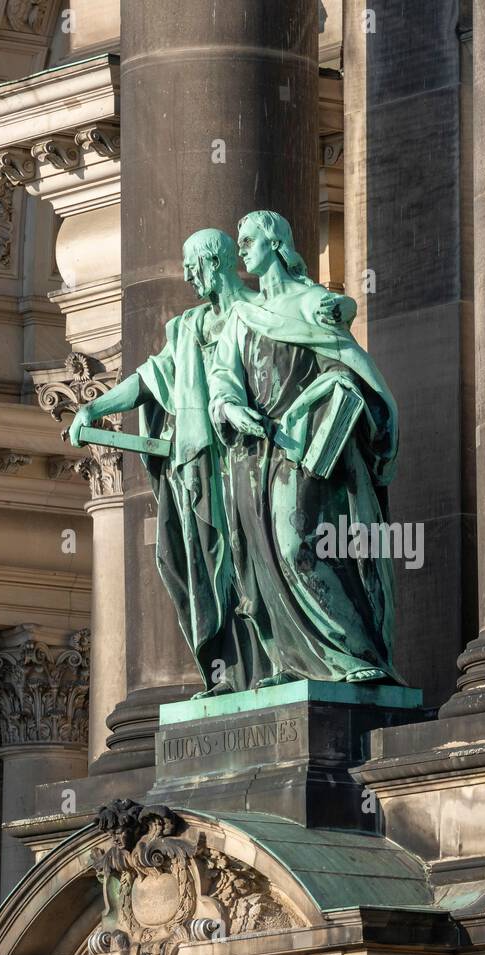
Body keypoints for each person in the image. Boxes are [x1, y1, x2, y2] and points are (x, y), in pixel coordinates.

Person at [207, 210, 403, 687]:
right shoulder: (240, 316)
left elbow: (350, 368)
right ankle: (294, 662)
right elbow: (223, 379)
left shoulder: (313, 304)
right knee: (264, 558)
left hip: (307, 445)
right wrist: (231, 409)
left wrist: (319, 402)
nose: (243, 247)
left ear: (275, 242)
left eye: (249, 238)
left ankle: (351, 653)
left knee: (297, 546)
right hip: (255, 452)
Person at [69, 229, 259, 695]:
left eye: (194, 267)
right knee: (190, 563)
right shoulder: (189, 328)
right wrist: (95, 408)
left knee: (252, 563)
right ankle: (231, 672)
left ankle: (271, 666)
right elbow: (149, 380)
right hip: (198, 468)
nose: (190, 278)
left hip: (252, 459)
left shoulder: (256, 314)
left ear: (214, 262)